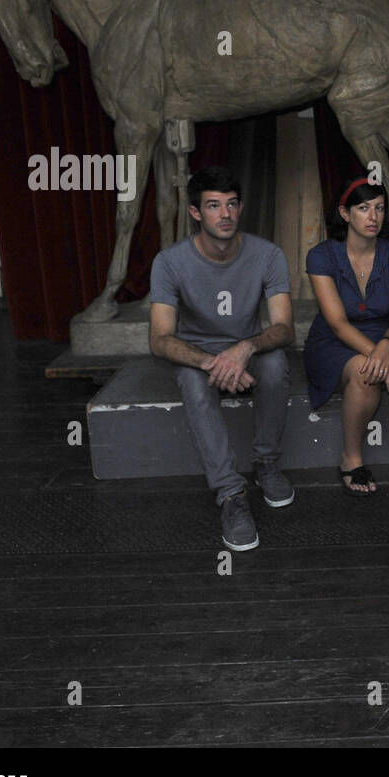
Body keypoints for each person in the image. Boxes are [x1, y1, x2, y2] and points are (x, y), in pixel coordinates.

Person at [148, 166, 295, 552]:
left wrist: (244, 349)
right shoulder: (169, 262)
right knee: (193, 383)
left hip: (246, 346)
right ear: (196, 213)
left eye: (231, 205)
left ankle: (265, 463)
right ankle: (231, 494)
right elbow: (160, 339)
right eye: (213, 206)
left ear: (241, 208)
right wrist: (212, 363)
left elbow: (284, 328)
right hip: (199, 355)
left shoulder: (268, 255)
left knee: (277, 362)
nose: (225, 214)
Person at [304, 178, 389, 495]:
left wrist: (387, 346)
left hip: (383, 334)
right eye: (363, 208)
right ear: (345, 214)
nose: (373, 216)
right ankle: (351, 459)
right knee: (364, 371)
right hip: (334, 341)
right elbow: (338, 324)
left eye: (380, 208)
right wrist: (380, 359)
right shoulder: (321, 256)